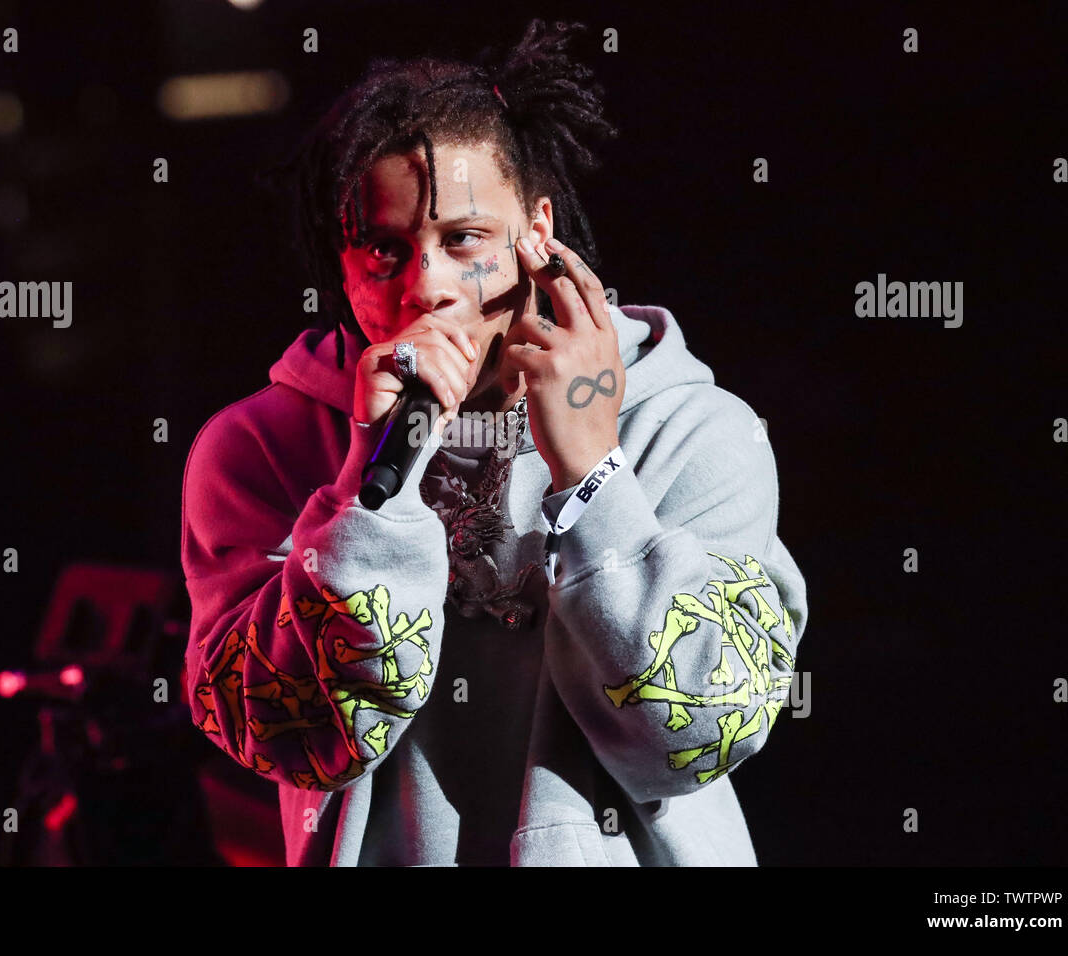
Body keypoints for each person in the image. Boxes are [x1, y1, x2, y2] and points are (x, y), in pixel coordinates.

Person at [181, 19, 808, 866]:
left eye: (463, 239)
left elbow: (697, 733)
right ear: (340, 263)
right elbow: (286, 737)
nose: (426, 287)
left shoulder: (691, 429)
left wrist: (592, 475)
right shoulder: (258, 449)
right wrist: (373, 489)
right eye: (384, 250)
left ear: (538, 232)